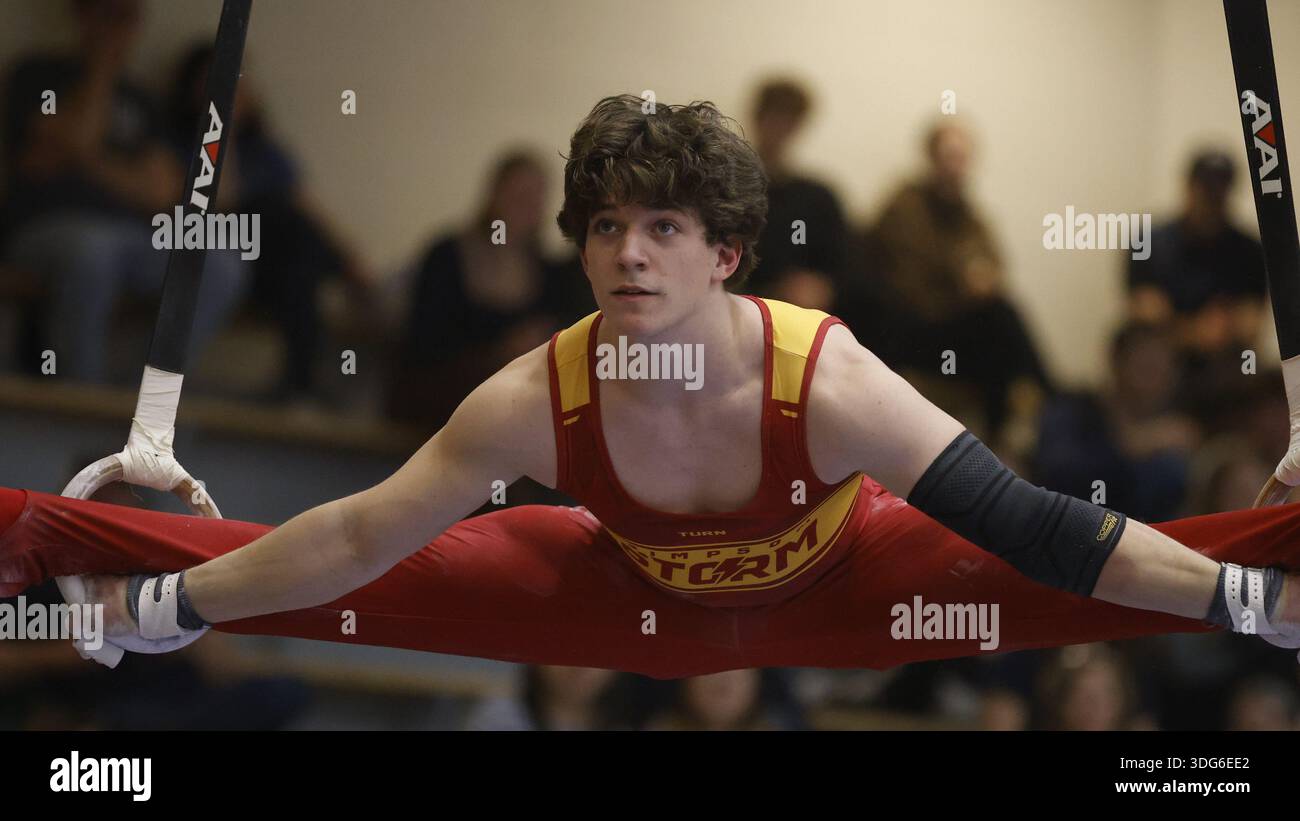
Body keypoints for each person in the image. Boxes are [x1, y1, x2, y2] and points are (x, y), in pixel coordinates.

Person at [2, 95, 1300, 681]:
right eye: (608, 225)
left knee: (1099, 583)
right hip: (619, 589)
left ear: (729, 254)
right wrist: (175, 601)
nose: (629, 251)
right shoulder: (535, 394)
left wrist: (1241, 593)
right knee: (365, 577)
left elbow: (1029, 522)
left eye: (666, 227)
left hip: (857, 584)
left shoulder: (825, 373)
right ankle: (57, 556)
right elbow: (350, 533)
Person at [0, 0, 247, 384]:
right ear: (81, 14)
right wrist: (101, 69)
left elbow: (160, 190)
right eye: (110, 14)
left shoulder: (143, 99)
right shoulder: (37, 74)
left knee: (220, 264)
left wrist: (81, 158)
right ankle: (84, 400)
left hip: (132, 235)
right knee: (94, 251)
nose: (122, 29)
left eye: (129, 17)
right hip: (46, 229)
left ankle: (146, 399)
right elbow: (45, 159)